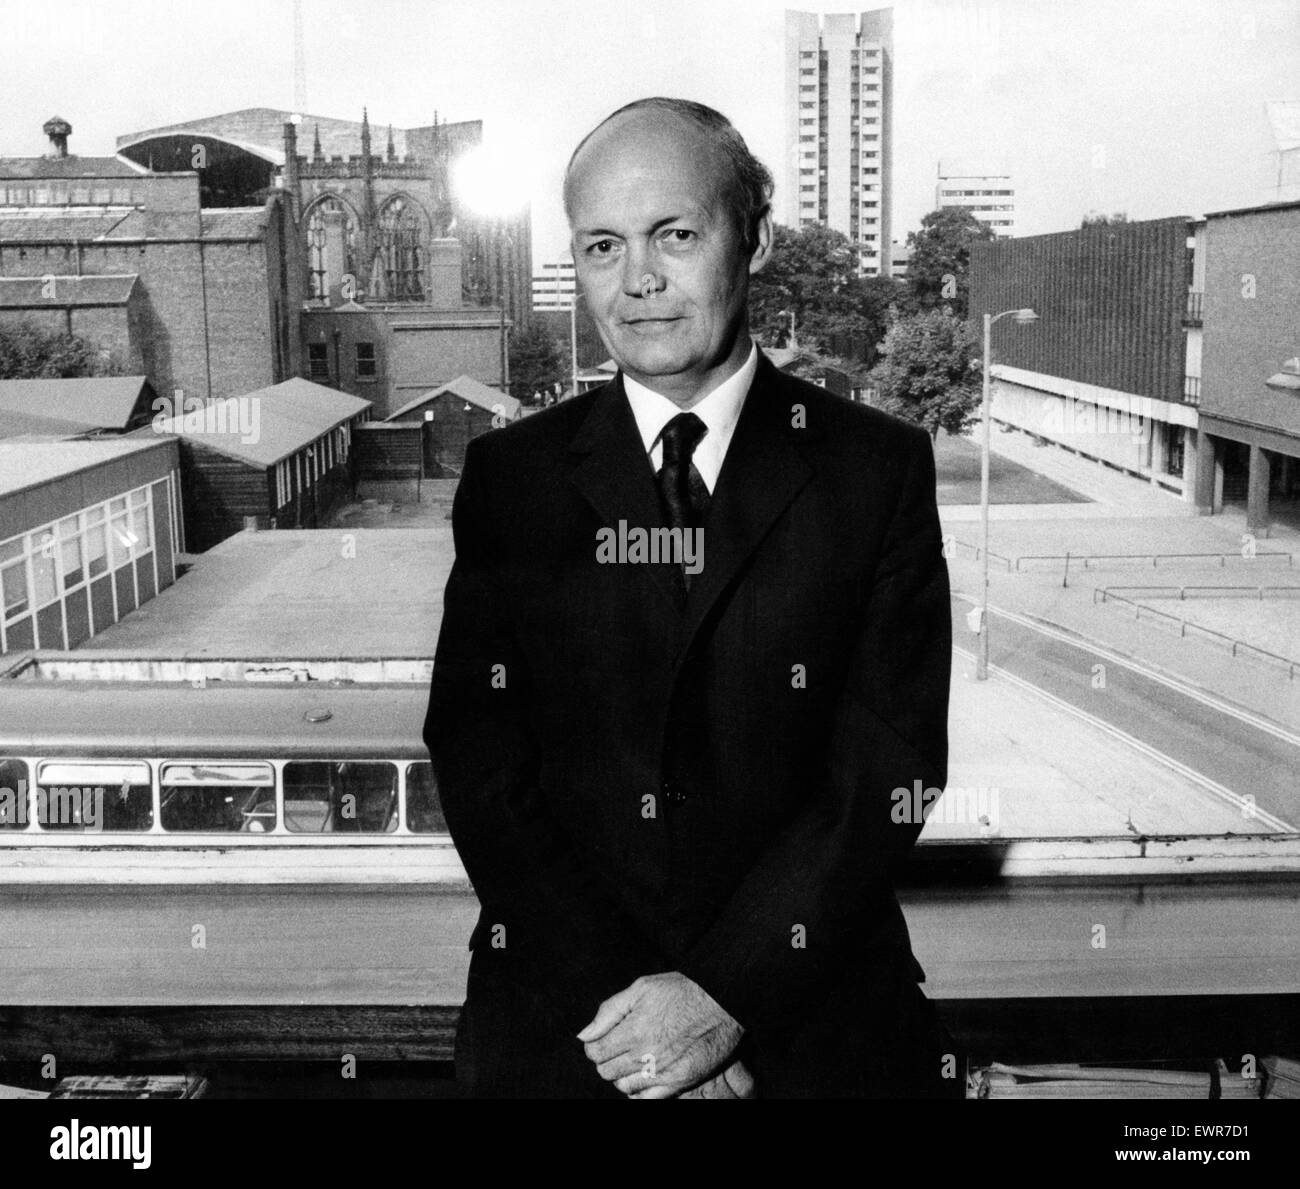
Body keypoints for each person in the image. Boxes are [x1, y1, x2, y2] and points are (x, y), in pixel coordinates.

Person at [425, 97, 959, 1099]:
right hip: (569, 1033)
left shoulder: (871, 470)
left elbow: (890, 765)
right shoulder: (511, 480)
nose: (638, 282)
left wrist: (726, 997)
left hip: (812, 1032)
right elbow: (481, 762)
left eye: (674, 235)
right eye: (600, 246)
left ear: (749, 238)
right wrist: (636, 1019)